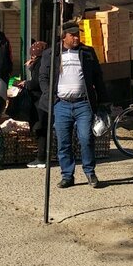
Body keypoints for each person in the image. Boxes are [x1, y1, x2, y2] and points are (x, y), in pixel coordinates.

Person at [39, 20, 108, 189]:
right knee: (63, 142)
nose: (77, 38)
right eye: (73, 35)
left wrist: (104, 101)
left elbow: (98, 77)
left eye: (78, 35)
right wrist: (52, 99)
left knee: (86, 138)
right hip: (61, 104)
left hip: (83, 103)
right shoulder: (52, 53)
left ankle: (90, 172)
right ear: (64, 37)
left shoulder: (87, 52)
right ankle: (67, 175)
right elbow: (43, 78)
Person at [24, 41, 50, 168]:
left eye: (33, 55)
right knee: (43, 129)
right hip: (43, 100)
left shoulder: (40, 64)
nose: (31, 58)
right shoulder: (45, 62)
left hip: (39, 100)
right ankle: (43, 156)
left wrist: (25, 84)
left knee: (40, 129)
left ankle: (41, 158)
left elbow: (36, 82)